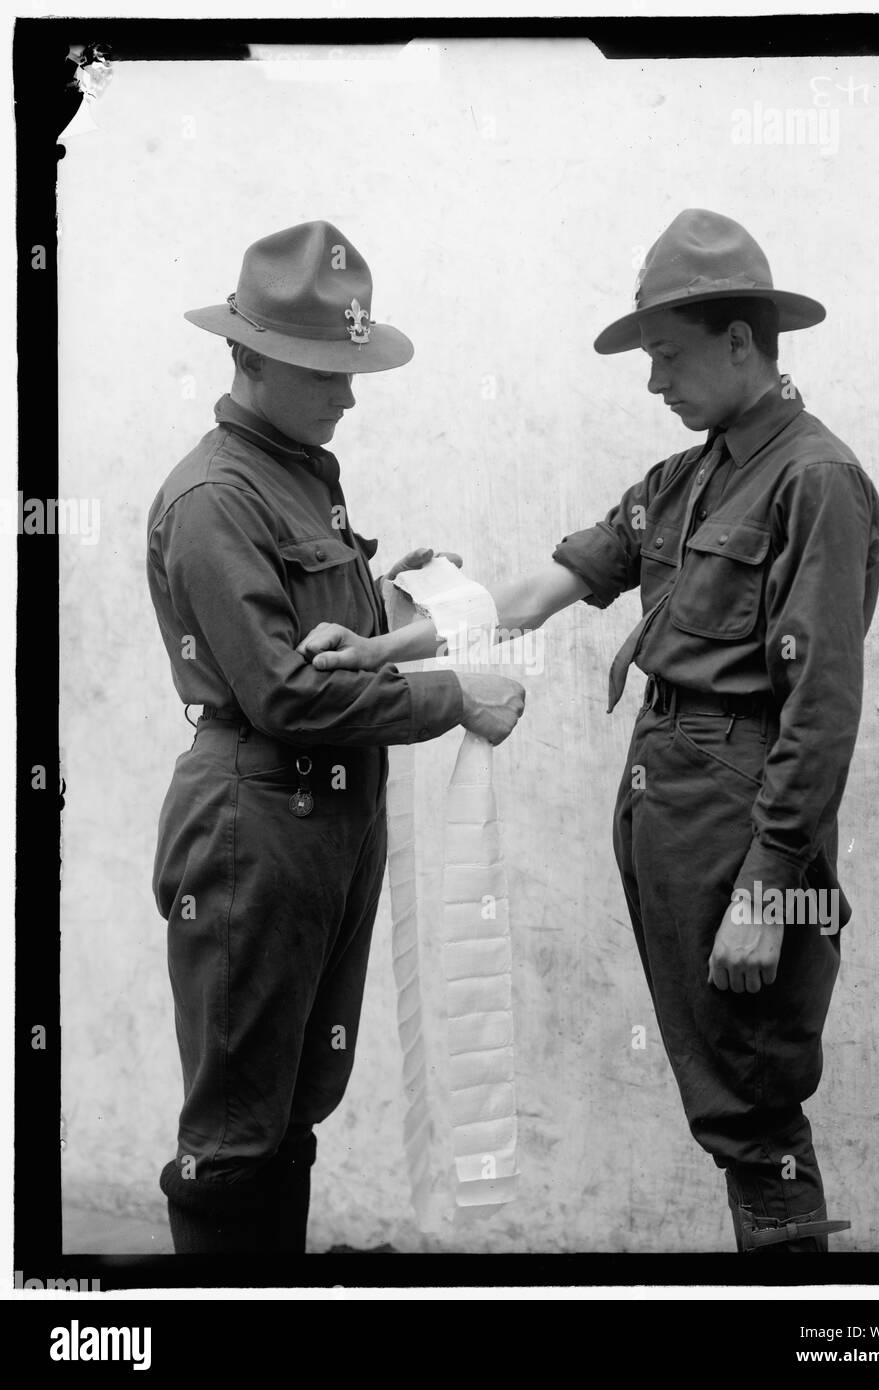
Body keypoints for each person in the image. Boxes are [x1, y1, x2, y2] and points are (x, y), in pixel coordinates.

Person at [300, 209, 879, 1253]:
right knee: (724, 1092)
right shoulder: (685, 478)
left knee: (754, 1103)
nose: (655, 381)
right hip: (669, 807)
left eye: (668, 355)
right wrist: (378, 651)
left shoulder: (816, 481)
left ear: (740, 342)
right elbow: (534, 592)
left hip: (742, 818)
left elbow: (823, 708)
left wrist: (769, 885)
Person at [146, 221, 525, 1255]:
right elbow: (286, 696)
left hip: (327, 825)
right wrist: (453, 695)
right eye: (326, 372)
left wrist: (392, 596)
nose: (349, 394)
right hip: (256, 829)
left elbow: (324, 647)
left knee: (296, 1099)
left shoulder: (303, 468)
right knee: (234, 1127)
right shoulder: (217, 495)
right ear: (252, 358)